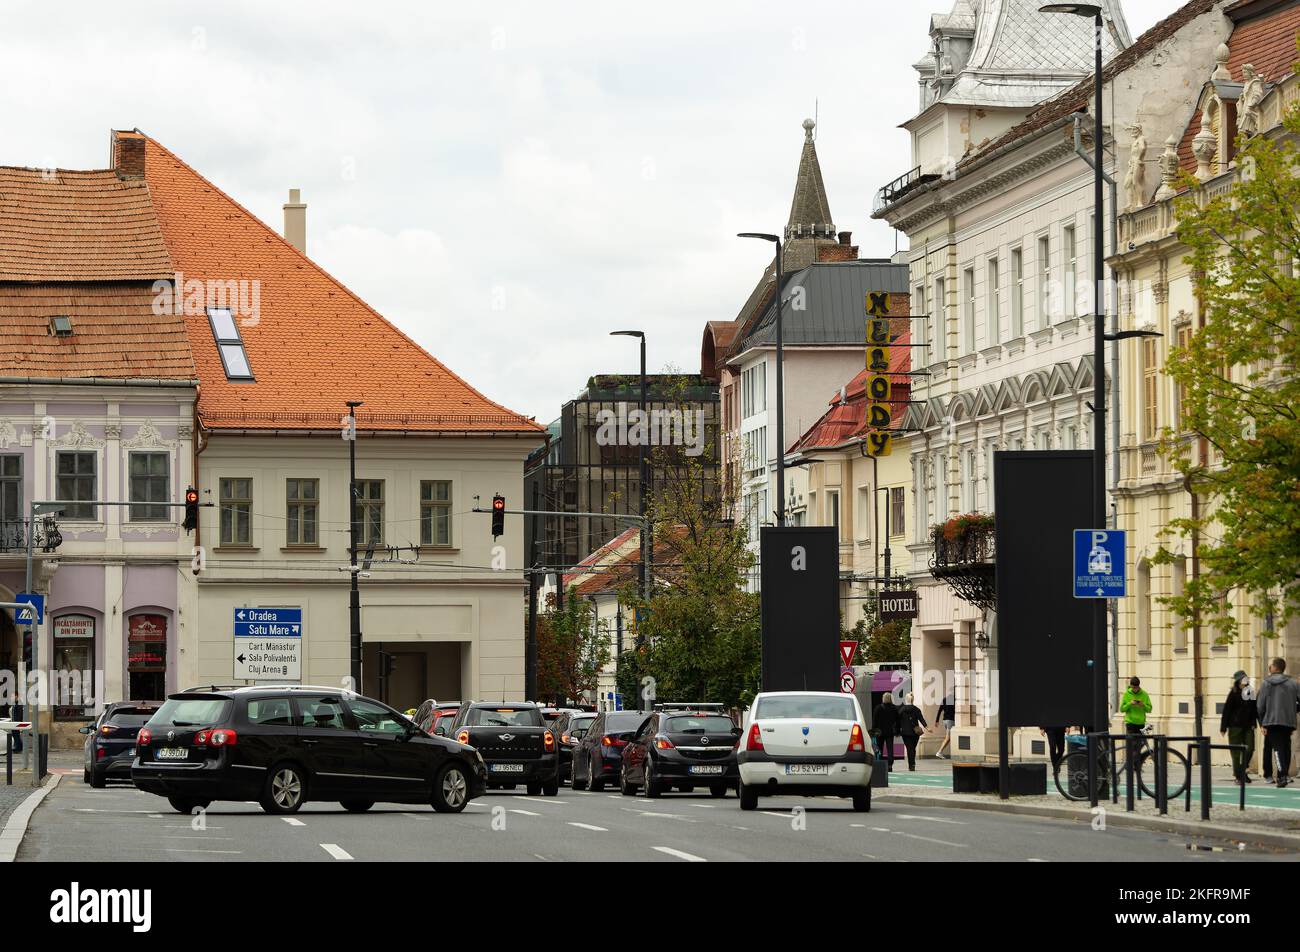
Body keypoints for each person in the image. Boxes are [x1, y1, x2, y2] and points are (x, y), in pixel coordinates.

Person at [1256, 657, 1299, 788]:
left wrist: (1262, 722)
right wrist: (1293, 709)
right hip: (1288, 720)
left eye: (1271, 665)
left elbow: (1260, 705)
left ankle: (1281, 776)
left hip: (1271, 720)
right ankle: (1284, 774)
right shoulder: (1293, 683)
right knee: (1285, 747)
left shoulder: (1266, 683)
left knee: (1277, 749)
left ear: (1274, 668)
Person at [1220, 670, 1258, 785]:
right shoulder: (1233, 692)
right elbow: (1227, 710)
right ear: (1238, 680)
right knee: (1236, 752)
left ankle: (1242, 770)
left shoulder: (1250, 691)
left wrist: (1255, 723)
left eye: (1246, 677)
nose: (1245, 680)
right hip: (1234, 726)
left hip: (1248, 726)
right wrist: (1223, 727)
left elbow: (1254, 708)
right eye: (1243, 678)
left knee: (1250, 748)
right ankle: (1238, 775)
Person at [896, 693, 928, 771]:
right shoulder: (916, 709)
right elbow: (921, 719)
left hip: (905, 733)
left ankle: (911, 765)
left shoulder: (901, 710)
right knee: (913, 748)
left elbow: (897, 721)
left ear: (906, 699)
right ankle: (912, 764)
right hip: (915, 732)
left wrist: (897, 731)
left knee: (909, 748)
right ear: (913, 700)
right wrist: (927, 727)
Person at [872, 693, 901, 772]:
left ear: (883, 698)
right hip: (889, 732)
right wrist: (897, 731)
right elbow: (898, 721)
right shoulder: (894, 708)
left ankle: (880, 764)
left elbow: (874, 721)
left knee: (879, 748)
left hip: (879, 733)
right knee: (890, 749)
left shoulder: (878, 708)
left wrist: (873, 731)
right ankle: (890, 765)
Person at [935, 692, 955, 760]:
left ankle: (941, 752)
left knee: (949, 737)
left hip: (945, 720)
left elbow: (939, 710)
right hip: (950, 720)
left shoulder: (944, 699)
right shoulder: (954, 700)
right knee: (948, 737)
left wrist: (937, 720)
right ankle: (939, 752)